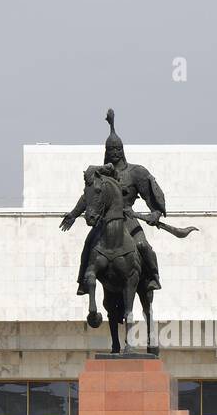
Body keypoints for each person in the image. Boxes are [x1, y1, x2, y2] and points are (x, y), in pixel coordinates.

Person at [59, 109, 164, 294]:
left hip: (129, 218)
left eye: (117, 149)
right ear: (106, 151)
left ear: (123, 150)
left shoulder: (136, 172)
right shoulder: (101, 175)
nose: (114, 153)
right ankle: (83, 281)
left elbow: (150, 197)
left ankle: (153, 278)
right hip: (105, 221)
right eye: (110, 150)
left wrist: (155, 213)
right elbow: (90, 197)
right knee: (88, 245)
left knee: (143, 246)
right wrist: (74, 214)